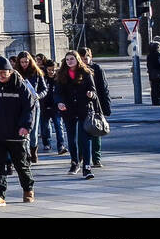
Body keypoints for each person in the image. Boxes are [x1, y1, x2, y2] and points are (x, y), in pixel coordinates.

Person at [0, 55, 36, 207]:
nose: (0, 76)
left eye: (3, 72)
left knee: (21, 164)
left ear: (10, 71)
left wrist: (26, 126)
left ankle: (28, 189)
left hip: (17, 133)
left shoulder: (20, 87)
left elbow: (29, 108)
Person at [53, 50, 98, 178]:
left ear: (77, 59)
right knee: (71, 139)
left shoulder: (86, 72)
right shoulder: (62, 74)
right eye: (67, 60)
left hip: (84, 109)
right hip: (68, 110)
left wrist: (90, 93)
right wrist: (59, 102)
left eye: (71, 59)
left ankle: (87, 167)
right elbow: (57, 93)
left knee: (85, 139)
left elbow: (93, 90)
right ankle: (74, 162)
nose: (69, 62)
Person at [81, 48, 112, 167]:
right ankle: (83, 157)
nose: (85, 60)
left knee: (96, 130)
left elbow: (104, 89)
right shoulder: (77, 70)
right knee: (82, 133)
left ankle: (96, 158)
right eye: (82, 58)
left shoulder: (97, 69)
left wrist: (106, 107)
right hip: (81, 106)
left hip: (95, 104)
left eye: (86, 57)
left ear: (91, 56)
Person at [15, 51, 48, 164]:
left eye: (26, 62)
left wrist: (39, 95)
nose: (24, 64)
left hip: (34, 105)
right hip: (20, 106)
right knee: (25, 132)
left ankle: (33, 150)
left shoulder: (36, 72)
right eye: (22, 62)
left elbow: (44, 89)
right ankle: (27, 154)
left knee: (33, 133)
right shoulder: (15, 73)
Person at [39, 60, 66, 155]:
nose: (51, 72)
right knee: (44, 127)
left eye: (53, 70)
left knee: (59, 126)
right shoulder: (43, 78)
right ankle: (46, 143)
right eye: (49, 70)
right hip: (44, 106)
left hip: (56, 106)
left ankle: (61, 145)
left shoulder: (58, 79)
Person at [147, 37, 160, 106]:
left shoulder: (151, 52)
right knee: (157, 87)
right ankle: (158, 101)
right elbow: (158, 62)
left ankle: (158, 100)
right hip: (157, 71)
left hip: (152, 72)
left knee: (156, 87)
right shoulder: (157, 52)